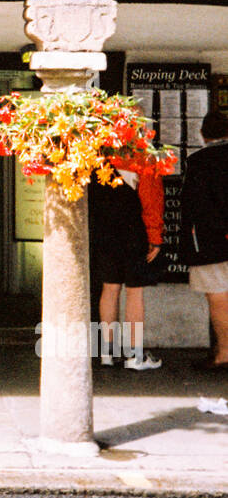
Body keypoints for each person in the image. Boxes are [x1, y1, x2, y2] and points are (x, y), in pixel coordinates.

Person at [89, 158, 165, 370]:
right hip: (134, 232)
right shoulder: (142, 159)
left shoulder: (96, 157)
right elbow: (151, 201)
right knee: (134, 291)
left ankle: (106, 353)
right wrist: (155, 237)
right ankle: (134, 355)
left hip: (104, 233)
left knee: (109, 288)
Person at [179, 108, 228, 371]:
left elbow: (192, 205)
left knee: (218, 297)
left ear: (202, 133)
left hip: (211, 242)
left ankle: (224, 354)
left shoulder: (198, 162)